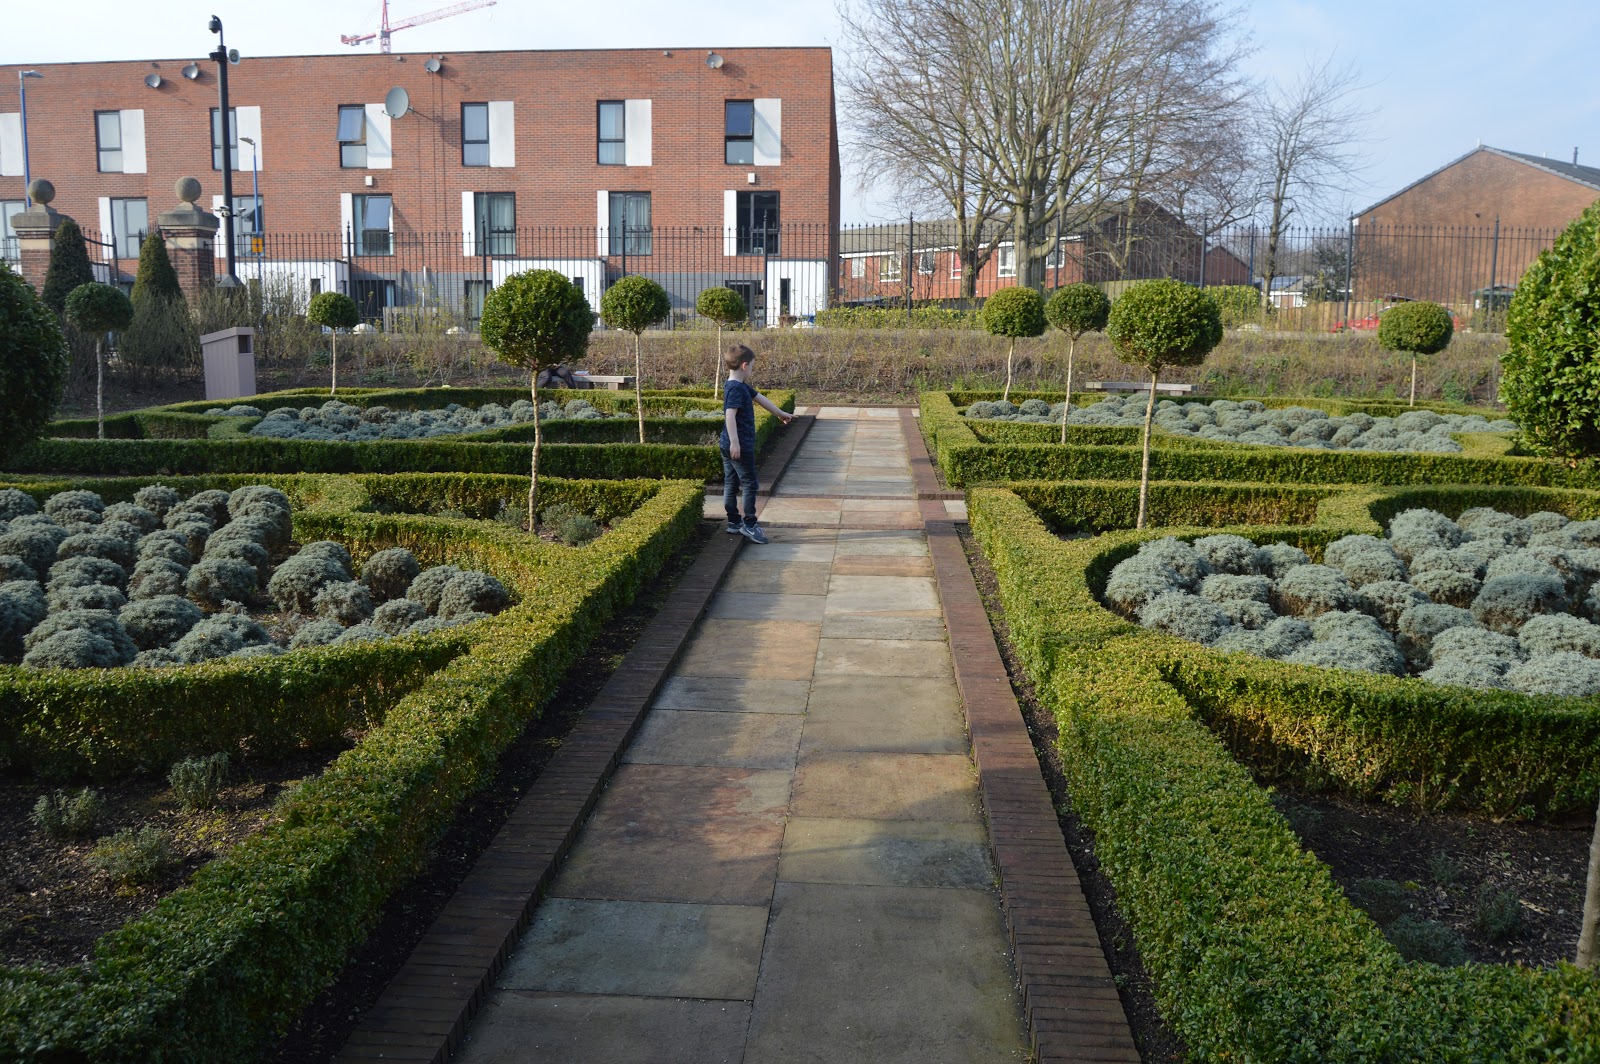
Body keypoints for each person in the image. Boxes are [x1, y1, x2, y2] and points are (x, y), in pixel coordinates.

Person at [721, 343, 793, 544]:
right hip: (739, 445)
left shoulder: (738, 385)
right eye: (752, 366)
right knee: (750, 484)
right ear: (744, 366)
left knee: (731, 483)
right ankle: (750, 524)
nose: (752, 369)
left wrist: (780, 414)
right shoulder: (736, 389)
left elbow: (760, 399)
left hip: (727, 444)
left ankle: (734, 522)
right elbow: (729, 416)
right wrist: (736, 443)